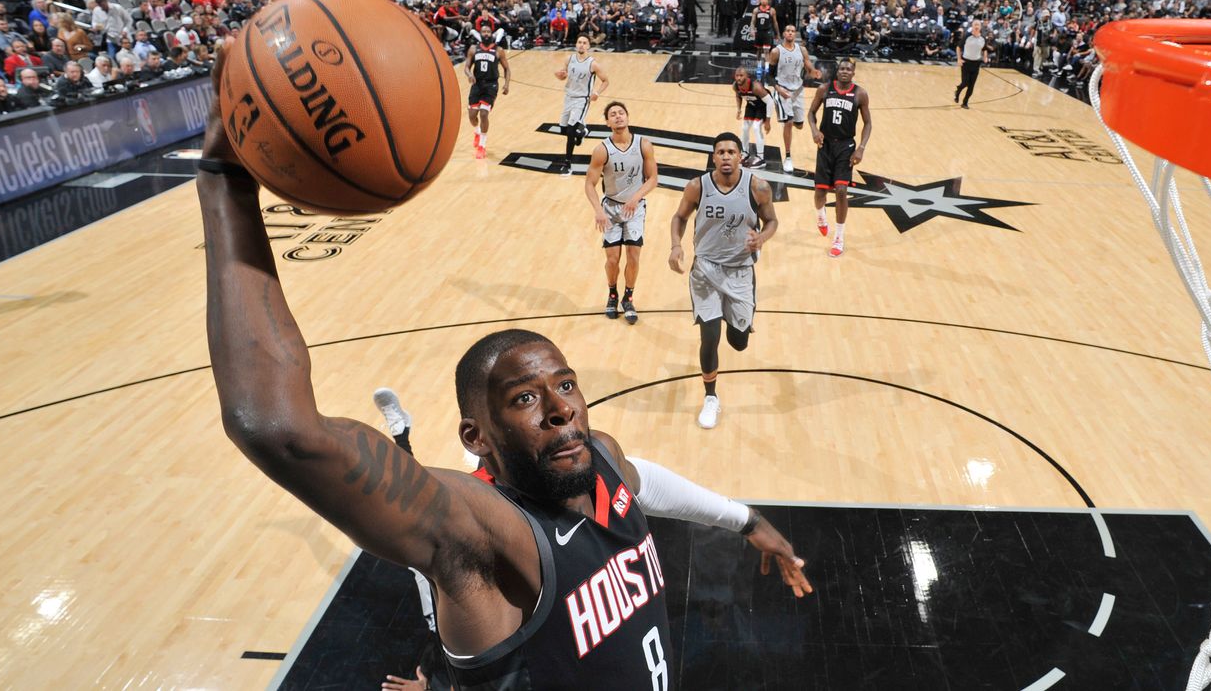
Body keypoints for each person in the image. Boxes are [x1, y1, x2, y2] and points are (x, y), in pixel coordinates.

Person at [199, 47, 810, 690]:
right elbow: (277, 428)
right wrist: (222, 180)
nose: (560, 408)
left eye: (565, 384)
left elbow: (647, 482)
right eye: (524, 399)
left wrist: (748, 521)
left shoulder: (599, 458)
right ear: (477, 438)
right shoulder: (482, 531)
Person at [668, 133, 779, 429]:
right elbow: (679, 217)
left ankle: (733, 319)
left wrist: (762, 238)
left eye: (732, 151)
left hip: (741, 271)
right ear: (713, 157)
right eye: (721, 152)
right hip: (705, 270)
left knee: (739, 342)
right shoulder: (697, 187)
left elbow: (772, 221)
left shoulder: (758, 187)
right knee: (709, 335)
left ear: (741, 156)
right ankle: (711, 398)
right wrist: (676, 245)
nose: (726, 156)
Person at [583, 101, 658, 325]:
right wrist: (598, 210)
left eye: (621, 113)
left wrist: (636, 198)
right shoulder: (601, 150)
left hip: (635, 208)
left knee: (634, 256)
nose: (617, 117)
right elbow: (589, 184)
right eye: (613, 114)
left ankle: (628, 297)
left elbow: (653, 178)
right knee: (613, 258)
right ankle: (613, 293)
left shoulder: (644, 145)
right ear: (607, 122)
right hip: (611, 208)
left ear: (628, 117)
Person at [807, 59, 874, 258]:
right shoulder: (825, 89)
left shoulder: (860, 94)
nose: (845, 71)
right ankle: (821, 217)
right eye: (842, 68)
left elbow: (868, 123)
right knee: (820, 191)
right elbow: (811, 113)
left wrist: (861, 148)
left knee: (841, 190)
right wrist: (814, 130)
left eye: (849, 69)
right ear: (837, 71)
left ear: (853, 73)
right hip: (825, 144)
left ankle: (839, 237)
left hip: (846, 146)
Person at [765, 24, 820, 173]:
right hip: (782, 90)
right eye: (788, 31)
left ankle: (787, 119)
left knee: (799, 124)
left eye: (793, 31)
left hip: (798, 90)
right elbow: (768, 75)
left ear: (795, 34)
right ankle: (788, 157)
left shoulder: (801, 49)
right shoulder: (776, 51)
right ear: (784, 33)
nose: (790, 33)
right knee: (789, 122)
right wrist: (778, 89)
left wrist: (814, 72)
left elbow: (808, 66)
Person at [553, 35, 610, 176]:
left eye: (584, 43)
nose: (581, 45)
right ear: (576, 44)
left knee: (571, 131)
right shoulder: (569, 59)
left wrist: (597, 93)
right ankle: (582, 132)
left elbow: (606, 81)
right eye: (579, 42)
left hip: (582, 99)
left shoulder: (593, 64)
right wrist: (559, 75)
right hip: (568, 97)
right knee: (563, 130)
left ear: (589, 46)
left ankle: (567, 164)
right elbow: (563, 75)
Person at [463, 26, 511, 160]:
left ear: (492, 34)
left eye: (488, 32)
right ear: (480, 33)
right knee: (472, 116)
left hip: (491, 85)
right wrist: (469, 75)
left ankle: (482, 146)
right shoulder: (473, 49)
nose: (486, 34)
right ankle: (477, 131)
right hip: (477, 84)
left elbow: (507, 69)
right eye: (483, 31)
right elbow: (466, 67)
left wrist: (506, 84)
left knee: (484, 113)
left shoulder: (498, 50)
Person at [731, 65, 771, 168]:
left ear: (747, 76)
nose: (739, 78)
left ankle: (761, 159)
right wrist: (739, 109)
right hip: (751, 105)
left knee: (756, 127)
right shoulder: (735, 86)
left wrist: (768, 121)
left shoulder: (755, 87)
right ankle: (745, 153)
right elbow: (738, 95)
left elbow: (770, 102)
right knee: (744, 128)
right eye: (737, 75)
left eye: (741, 75)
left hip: (763, 106)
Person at [955, 19, 987, 108]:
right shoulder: (967, 36)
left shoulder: (983, 38)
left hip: (976, 64)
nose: (976, 26)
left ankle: (965, 102)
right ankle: (958, 92)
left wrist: (985, 57)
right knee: (965, 82)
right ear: (972, 26)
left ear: (980, 27)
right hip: (966, 63)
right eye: (975, 25)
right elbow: (958, 47)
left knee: (971, 85)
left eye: (978, 25)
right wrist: (959, 59)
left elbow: (984, 49)